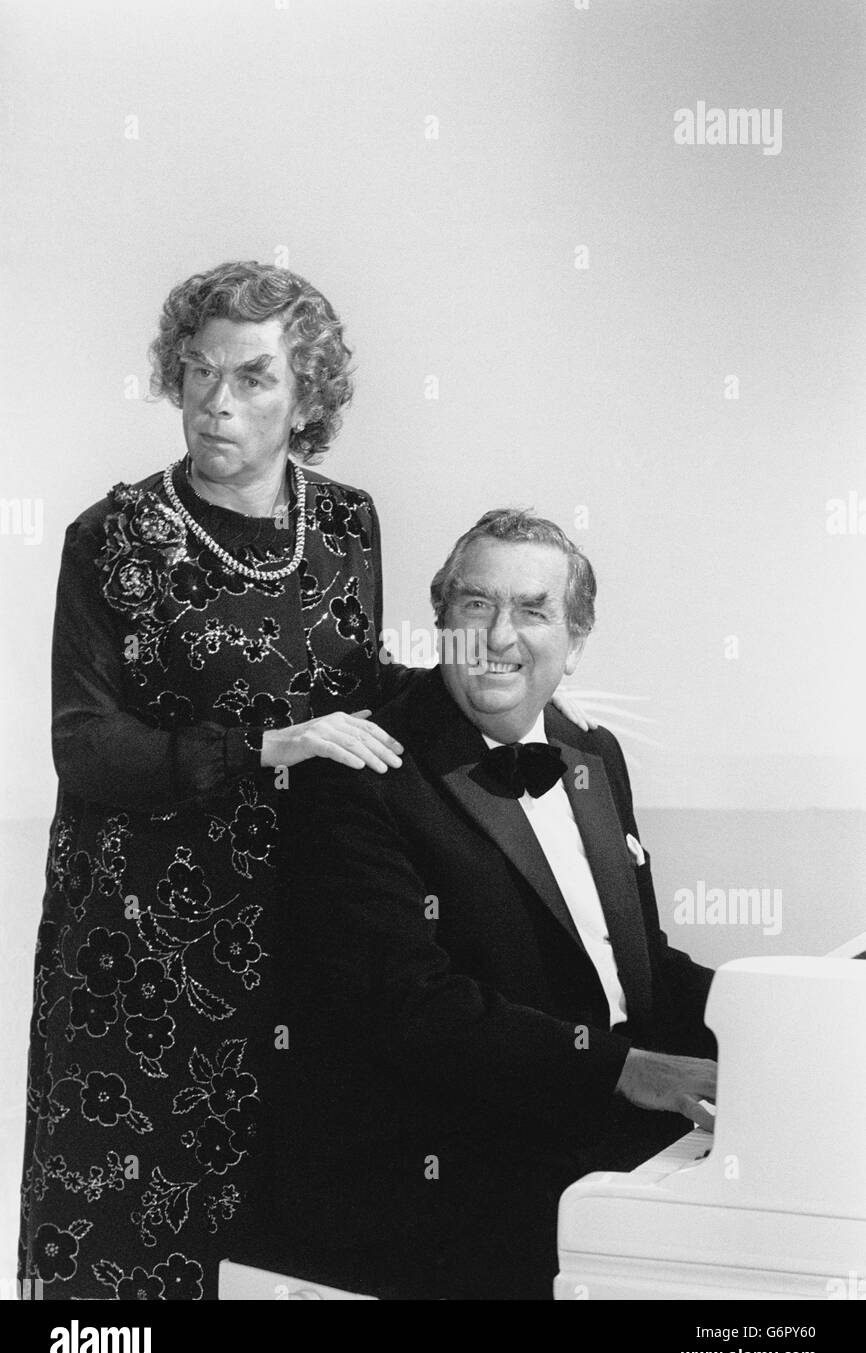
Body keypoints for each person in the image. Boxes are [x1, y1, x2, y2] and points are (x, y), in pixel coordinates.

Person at [18, 264, 592, 1301]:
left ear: (308, 397)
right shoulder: (111, 541)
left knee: (277, 1244)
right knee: (122, 1253)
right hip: (140, 959)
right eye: (196, 374)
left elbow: (352, 688)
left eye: (250, 379)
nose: (215, 403)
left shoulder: (344, 524)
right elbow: (85, 748)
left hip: (298, 933)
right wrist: (265, 747)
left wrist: (502, 685)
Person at [260, 509, 718, 1300]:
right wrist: (631, 1072)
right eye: (476, 605)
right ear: (440, 624)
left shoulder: (594, 754)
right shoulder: (358, 771)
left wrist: (775, 1013)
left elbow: (637, 961)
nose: (499, 636)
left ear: (574, 644)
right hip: (457, 1192)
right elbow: (408, 1006)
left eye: (533, 610)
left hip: (619, 1155)